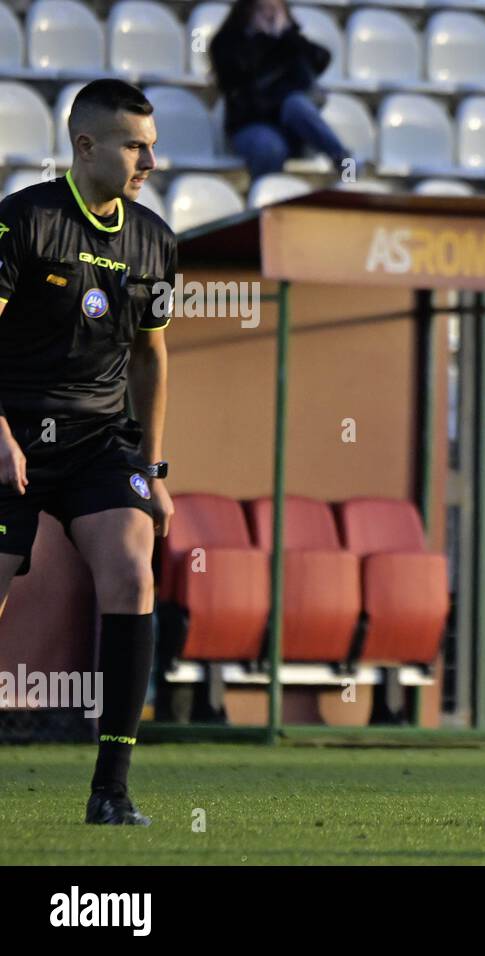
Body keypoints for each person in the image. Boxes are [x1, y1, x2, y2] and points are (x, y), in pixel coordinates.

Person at [0, 79, 177, 825]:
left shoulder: (154, 241)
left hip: (100, 440)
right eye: (136, 146)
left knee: (133, 572)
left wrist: (152, 468)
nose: (149, 162)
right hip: (12, 432)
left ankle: (110, 791)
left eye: (153, 147)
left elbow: (151, 359)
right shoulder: (24, 221)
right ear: (86, 146)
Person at [209, 0, 349, 179]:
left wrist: (287, 34)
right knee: (271, 147)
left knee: (296, 104)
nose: (268, 15)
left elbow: (320, 59)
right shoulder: (227, 43)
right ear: (246, 10)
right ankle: (266, 198)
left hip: (292, 127)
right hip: (253, 125)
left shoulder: (288, 41)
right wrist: (260, 38)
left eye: (275, 9)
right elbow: (235, 76)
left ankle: (344, 161)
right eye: (261, 9)